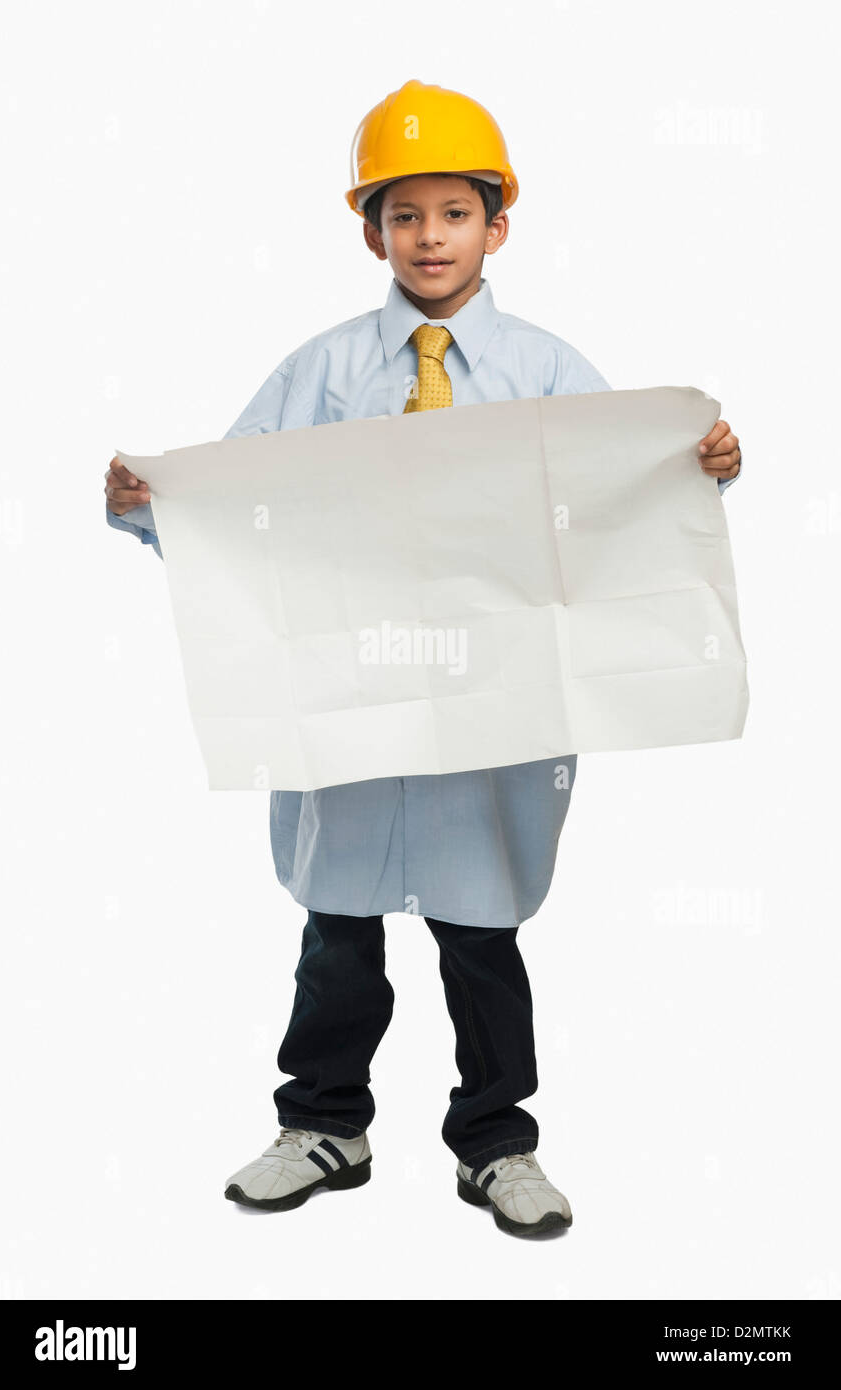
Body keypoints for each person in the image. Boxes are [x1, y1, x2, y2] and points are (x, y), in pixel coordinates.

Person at [104, 79, 742, 1239]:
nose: (430, 236)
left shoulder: (546, 370)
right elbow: (237, 494)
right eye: (406, 216)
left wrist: (692, 464)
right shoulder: (326, 369)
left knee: (479, 931)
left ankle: (498, 1142)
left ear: (497, 226)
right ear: (371, 232)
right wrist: (157, 503)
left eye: (453, 212)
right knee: (336, 930)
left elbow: (613, 494)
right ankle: (324, 1123)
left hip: (488, 705)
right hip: (350, 696)